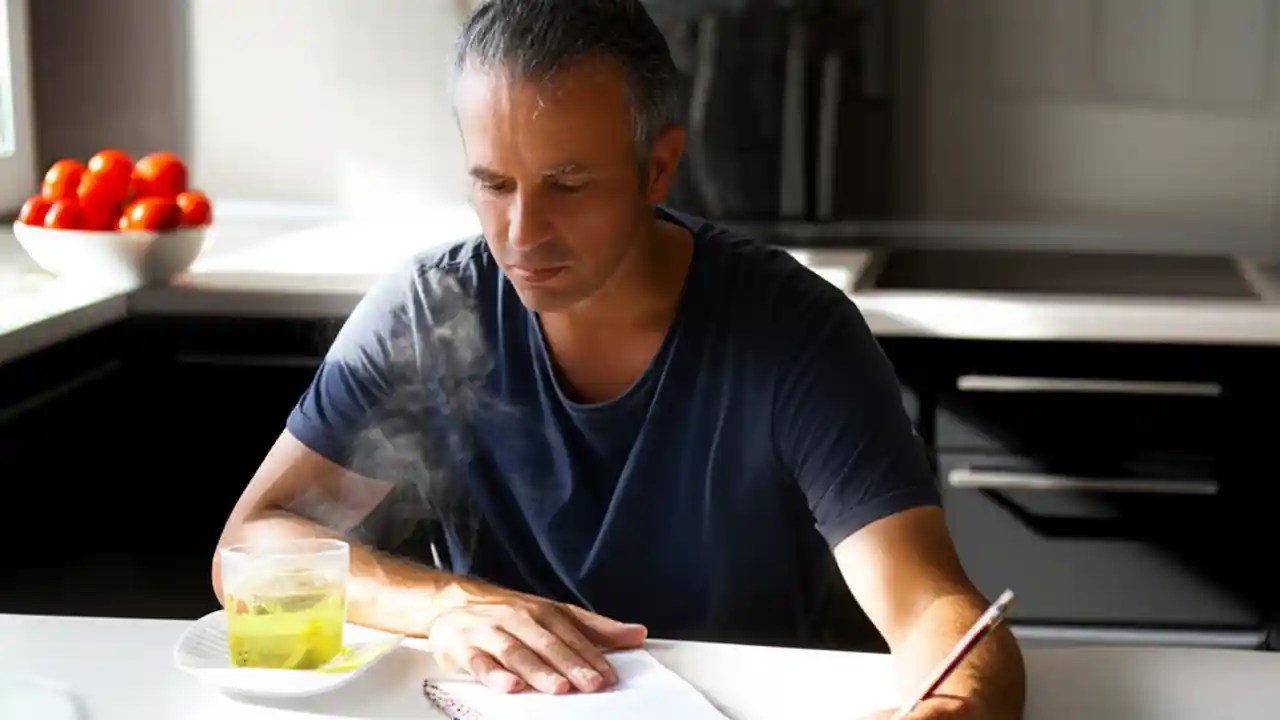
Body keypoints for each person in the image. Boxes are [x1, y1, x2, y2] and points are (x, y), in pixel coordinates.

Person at [212, 1, 1026, 717]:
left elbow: (933, 607)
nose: (522, 235)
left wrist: (957, 707)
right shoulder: (430, 312)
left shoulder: (793, 333)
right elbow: (251, 546)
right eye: (494, 184)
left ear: (658, 167)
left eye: (567, 186)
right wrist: (446, 605)